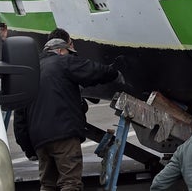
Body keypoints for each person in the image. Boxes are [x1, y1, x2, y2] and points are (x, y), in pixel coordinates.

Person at [14, 36, 120, 191]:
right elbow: (92, 70)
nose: (71, 56)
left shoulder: (30, 73)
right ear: (60, 51)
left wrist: (29, 148)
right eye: (69, 53)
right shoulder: (62, 61)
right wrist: (114, 72)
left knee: (48, 184)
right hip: (64, 135)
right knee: (70, 183)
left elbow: (20, 118)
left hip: (40, 141)